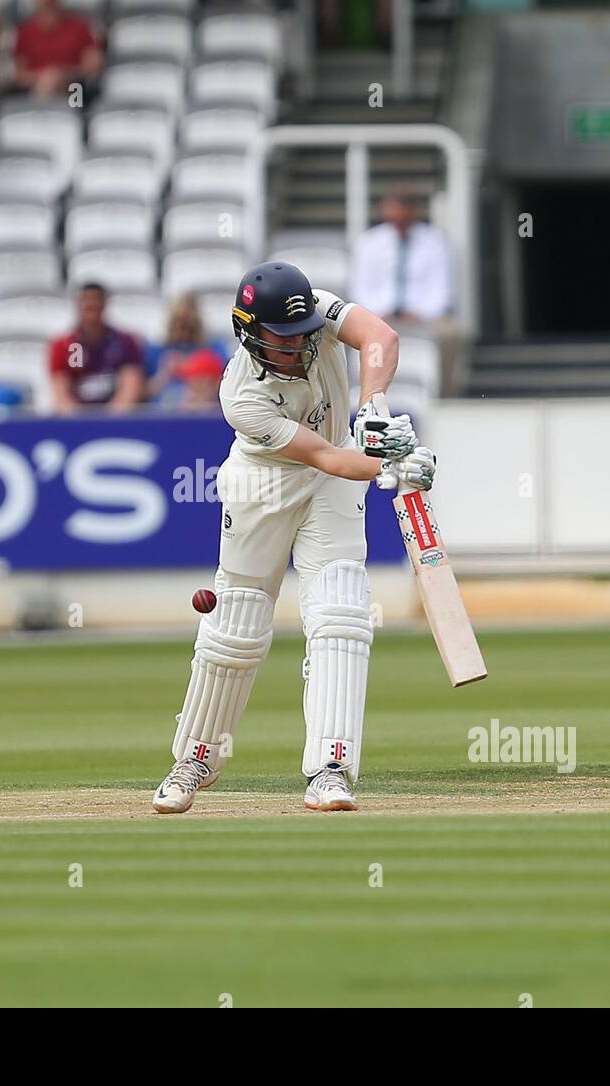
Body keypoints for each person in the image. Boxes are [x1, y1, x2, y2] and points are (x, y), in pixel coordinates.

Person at [151, 261, 434, 815]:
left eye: (303, 337)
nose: (298, 347)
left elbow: (381, 336)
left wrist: (373, 411)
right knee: (236, 627)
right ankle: (196, 758)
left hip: (332, 484)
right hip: (264, 486)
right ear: (249, 335)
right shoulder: (241, 397)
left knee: (341, 615)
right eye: (282, 341)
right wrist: (389, 465)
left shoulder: (313, 311)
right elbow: (327, 455)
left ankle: (331, 769)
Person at [350, 185, 466, 392]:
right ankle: (356, 394)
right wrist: (380, 313)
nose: (400, 217)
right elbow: (360, 290)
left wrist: (417, 313)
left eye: (405, 210)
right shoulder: (368, 242)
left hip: (423, 318)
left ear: (415, 212)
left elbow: (442, 291)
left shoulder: (436, 242)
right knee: (337, 336)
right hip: (377, 315)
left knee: (452, 333)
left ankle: (446, 397)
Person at [47, 283, 145, 413]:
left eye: (96, 300)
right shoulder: (65, 345)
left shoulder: (125, 342)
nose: (91, 305)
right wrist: (83, 421)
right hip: (77, 419)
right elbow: (62, 395)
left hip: (116, 418)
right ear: (78, 305)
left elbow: (130, 389)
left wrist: (107, 420)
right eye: (86, 300)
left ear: (105, 304)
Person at [11, 0, 103, 100]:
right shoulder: (25, 31)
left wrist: (61, 75)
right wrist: (44, 77)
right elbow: (19, 75)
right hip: (36, 88)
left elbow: (92, 68)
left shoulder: (80, 26)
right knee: (44, 85)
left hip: (75, 90)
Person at [147, 293, 231, 406]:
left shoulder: (214, 349)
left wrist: (197, 371)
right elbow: (143, 393)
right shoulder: (156, 351)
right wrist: (164, 374)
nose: (183, 332)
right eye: (178, 324)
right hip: (162, 414)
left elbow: (227, 386)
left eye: (188, 325)